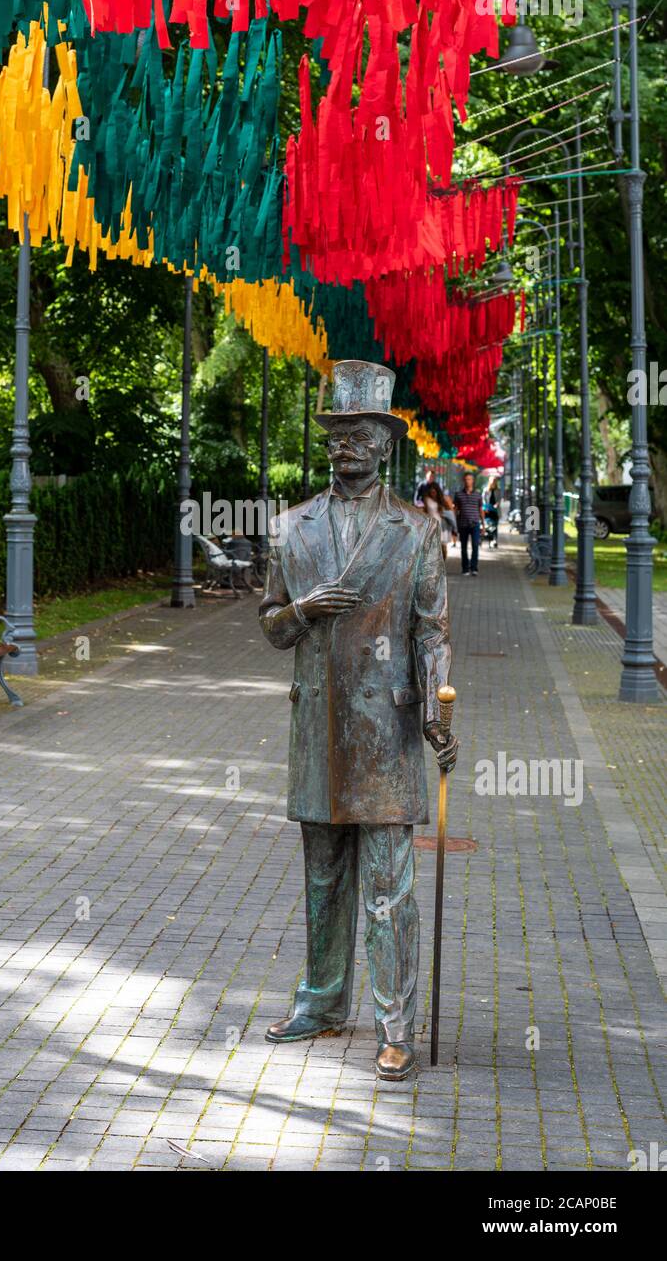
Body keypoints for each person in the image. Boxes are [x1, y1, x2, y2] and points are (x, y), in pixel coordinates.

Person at [259, 360, 457, 1082]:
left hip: (388, 732)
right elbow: (273, 628)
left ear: (383, 443)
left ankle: (395, 1023)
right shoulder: (290, 528)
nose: (346, 446)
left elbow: (430, 629)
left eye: (360, 434)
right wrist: (303, 609)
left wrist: (438, 709)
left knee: (388, 886)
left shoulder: (415, 529)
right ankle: (321, 1001)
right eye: (337, 434)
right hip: (317, 729)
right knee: (322, 880)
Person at [453, 471, 486, 575]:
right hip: (463, 524)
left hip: (475, 524)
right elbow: (455, 510)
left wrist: (484, 524)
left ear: (473, 481)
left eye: (470, 479)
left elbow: (481, 510)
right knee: (463, 547)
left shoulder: (478, 495)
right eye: (466, 479)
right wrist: (454, 524)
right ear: (464, 481)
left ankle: (474, 568)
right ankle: (465, 568)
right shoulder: (458, 495)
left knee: (475, 546)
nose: (468, 481)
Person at [421, 480, 454, 560]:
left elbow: (451, 511)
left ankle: (442, 565)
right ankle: (434, 566)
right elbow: (423, 511)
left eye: (434, 490)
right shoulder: (426, 499)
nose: (433, 492)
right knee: (431, 548)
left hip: (442, 526)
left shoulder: (442, 500)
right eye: (431, 490)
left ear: (437, 491)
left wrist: (445, 510)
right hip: (431, 526)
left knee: (443, 548)